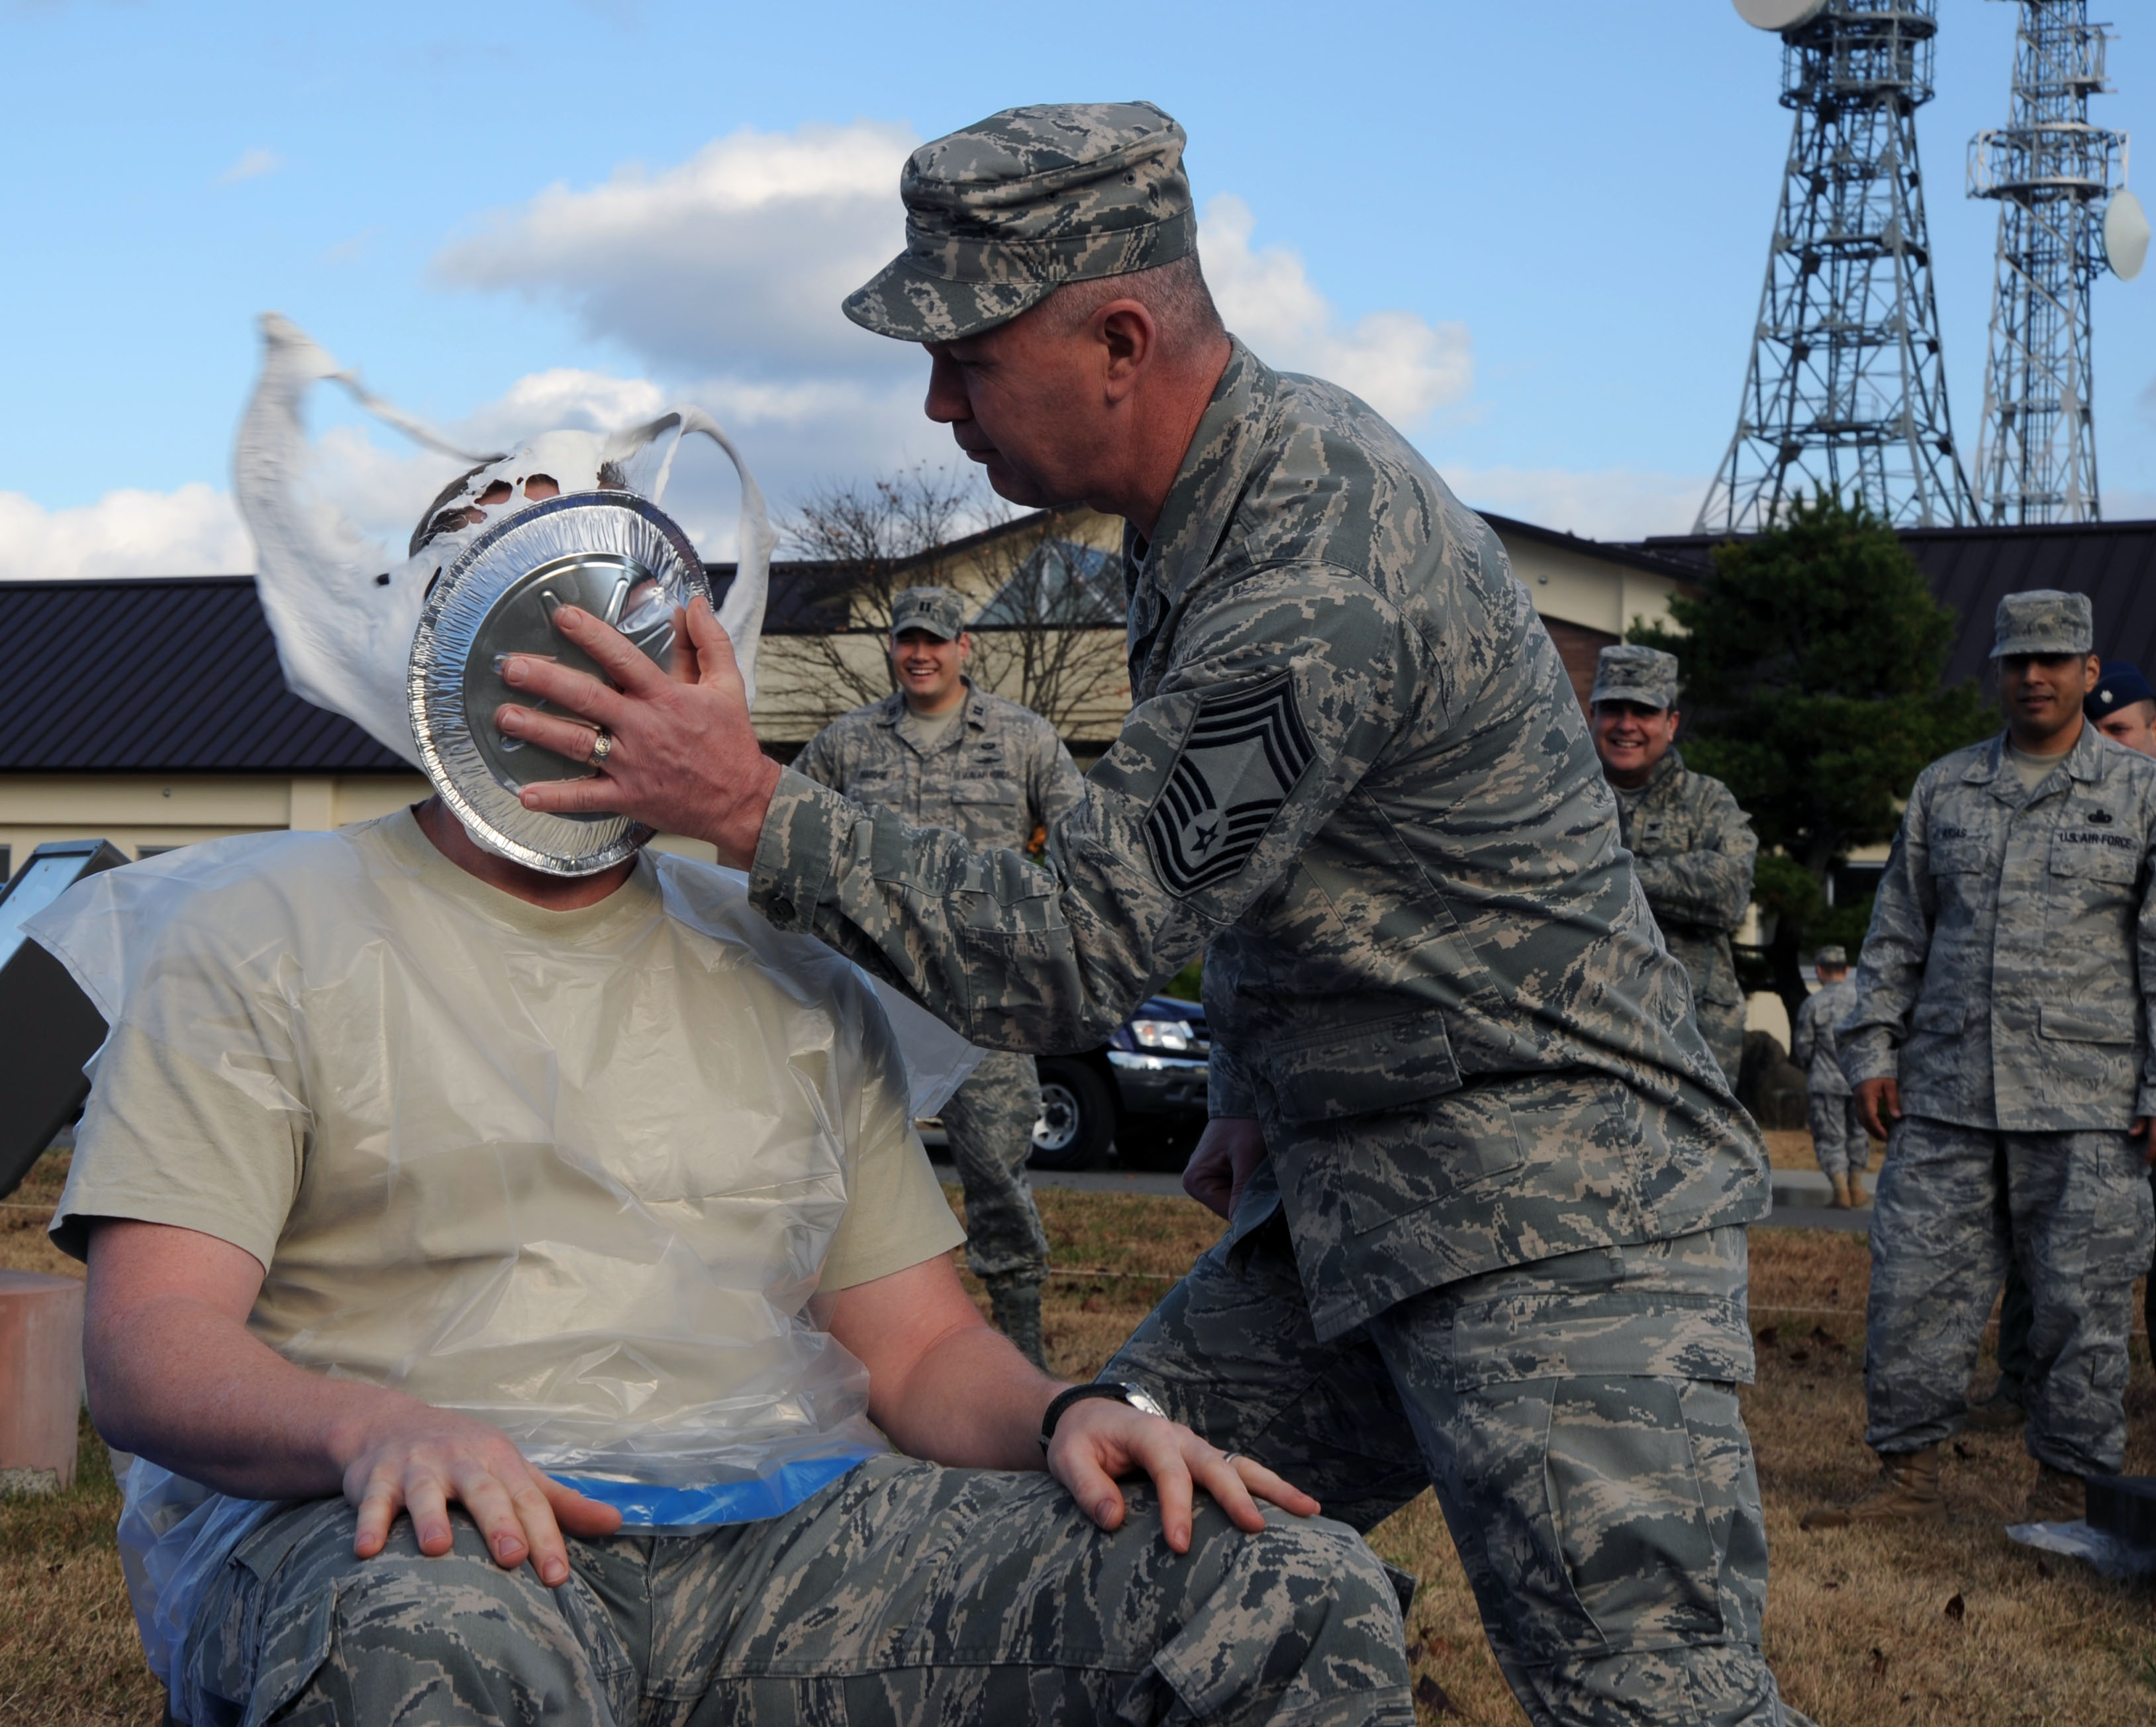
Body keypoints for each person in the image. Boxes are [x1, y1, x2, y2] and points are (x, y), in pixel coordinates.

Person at [493, 101, 1812, 1726]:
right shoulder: (1206, 514)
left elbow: (1076, 940)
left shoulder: (1310, 565)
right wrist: (1257, 1074)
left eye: (966, 355)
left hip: (1547, 1208)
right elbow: (1296, 859)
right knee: (1101, 1523)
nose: (934, 398)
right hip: (1353, 1194)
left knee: (1651, 1699)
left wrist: (750, 805)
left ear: (1117, 337)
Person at [44, 793, 1409, 1726]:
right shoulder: (265, 932)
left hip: (774, 1531)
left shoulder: (780, 958)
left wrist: (1072, 1411)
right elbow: (152, 1345)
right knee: (425, 1649)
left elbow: (918, 1345)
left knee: (1286, 1579)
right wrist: (377, 1426)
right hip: (421, 1534)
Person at [1806, 591, 2156, 1532]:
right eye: (2016, 660)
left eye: (2053, 659)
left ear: (2090, 669)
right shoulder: (1945, 789)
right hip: (1949, 1094)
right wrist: (1873, 1048)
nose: (2033, 676)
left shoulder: (2140, 793)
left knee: (2081, 1308)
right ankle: (1907, 1475)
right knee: (1914, 1290)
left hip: (2089, 1102)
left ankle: (2070, 1489)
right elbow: (1898, 933)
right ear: (1996, 670)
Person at [792, 583, 1085, 1367]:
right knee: (830, 1177)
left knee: (996, 1179)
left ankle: (1023, 1356)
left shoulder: (1024, 740)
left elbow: (1083, 847)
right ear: (891, 647)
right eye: (906, 639)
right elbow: (784, 833)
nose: (919, 653)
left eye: (935, 639)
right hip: (868, 996)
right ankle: (829, 1363)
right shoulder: (845, 744)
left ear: (964, 646)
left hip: (982, 1005)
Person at [1973, 658, 2156, 1431]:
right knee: (2047, 1243)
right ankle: (2023, 1385)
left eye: (2120, 730)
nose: (2103, 742)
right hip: (2093, 1076)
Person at [1588, 645, 1759, 1085]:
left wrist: (1602, 873)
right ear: (1592, 715)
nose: (1626, 725)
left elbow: (1728, 893)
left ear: (1672, 722)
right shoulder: (1565, 802)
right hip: (1587, 1026)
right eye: (1613, 709)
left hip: (1692, 1035)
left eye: (1643, 711)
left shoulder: (1708, 801)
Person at [1790, 946, 1868, 1209]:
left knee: (1830, 1138)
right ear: (1847, 971)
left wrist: (1811, 1067)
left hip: (1826, 1082)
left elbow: (1803, 1046)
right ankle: (1857, 1187)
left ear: (1820, 971)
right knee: (1858, 1134)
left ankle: (1840, 1191)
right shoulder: (1863, 1000)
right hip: (1860, 1081)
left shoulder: (1813, 1003)